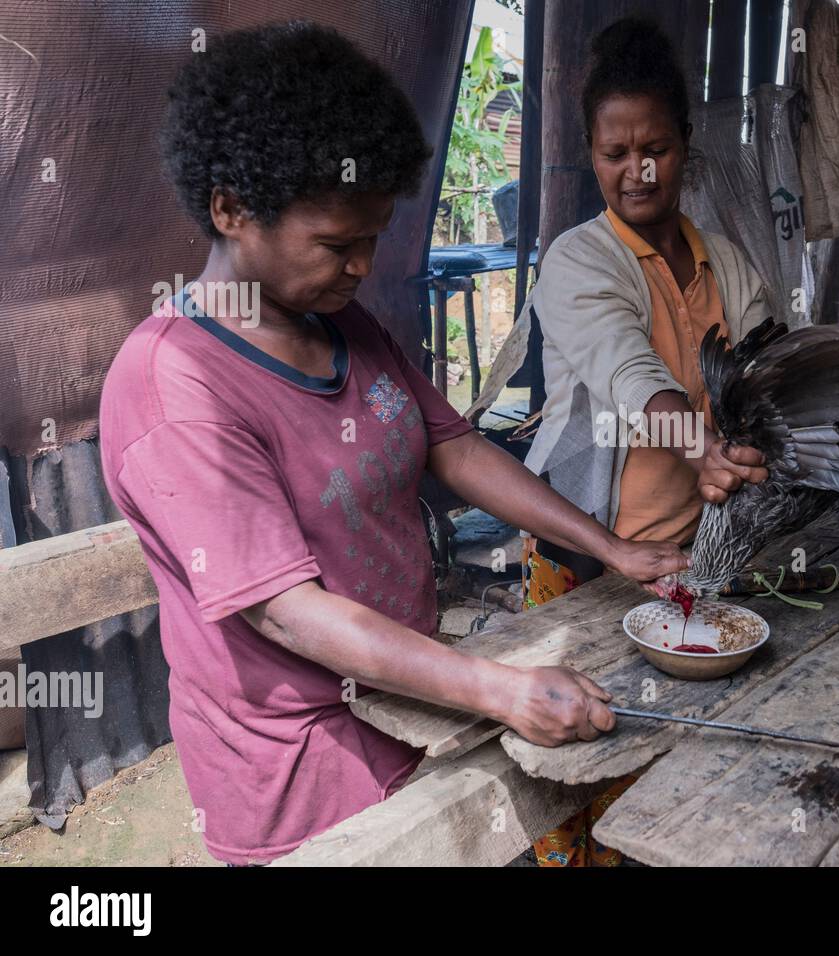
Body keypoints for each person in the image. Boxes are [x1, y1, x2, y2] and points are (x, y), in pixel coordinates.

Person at [97, 21, 688, 866]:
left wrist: (609, 546)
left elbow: (453, 448)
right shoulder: (175, 385)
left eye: (373, 237)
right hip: (300, 764)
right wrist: (502, 688)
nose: (363, 266)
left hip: (409, 704)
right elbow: (287, 611)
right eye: (338, 243)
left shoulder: (340, 323)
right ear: (230, 209)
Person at [519, 18, 772, 866]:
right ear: (591, 153)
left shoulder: (727, 266)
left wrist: (760, 439)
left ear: (685, 147)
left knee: (663, 757)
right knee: (572, 753)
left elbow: (769, 377)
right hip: (584, 550)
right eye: (614, 152)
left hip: (691, 557)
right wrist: (702, 446)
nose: (637, 171)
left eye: (654, 147)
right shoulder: (577, 262)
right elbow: (633, 376)